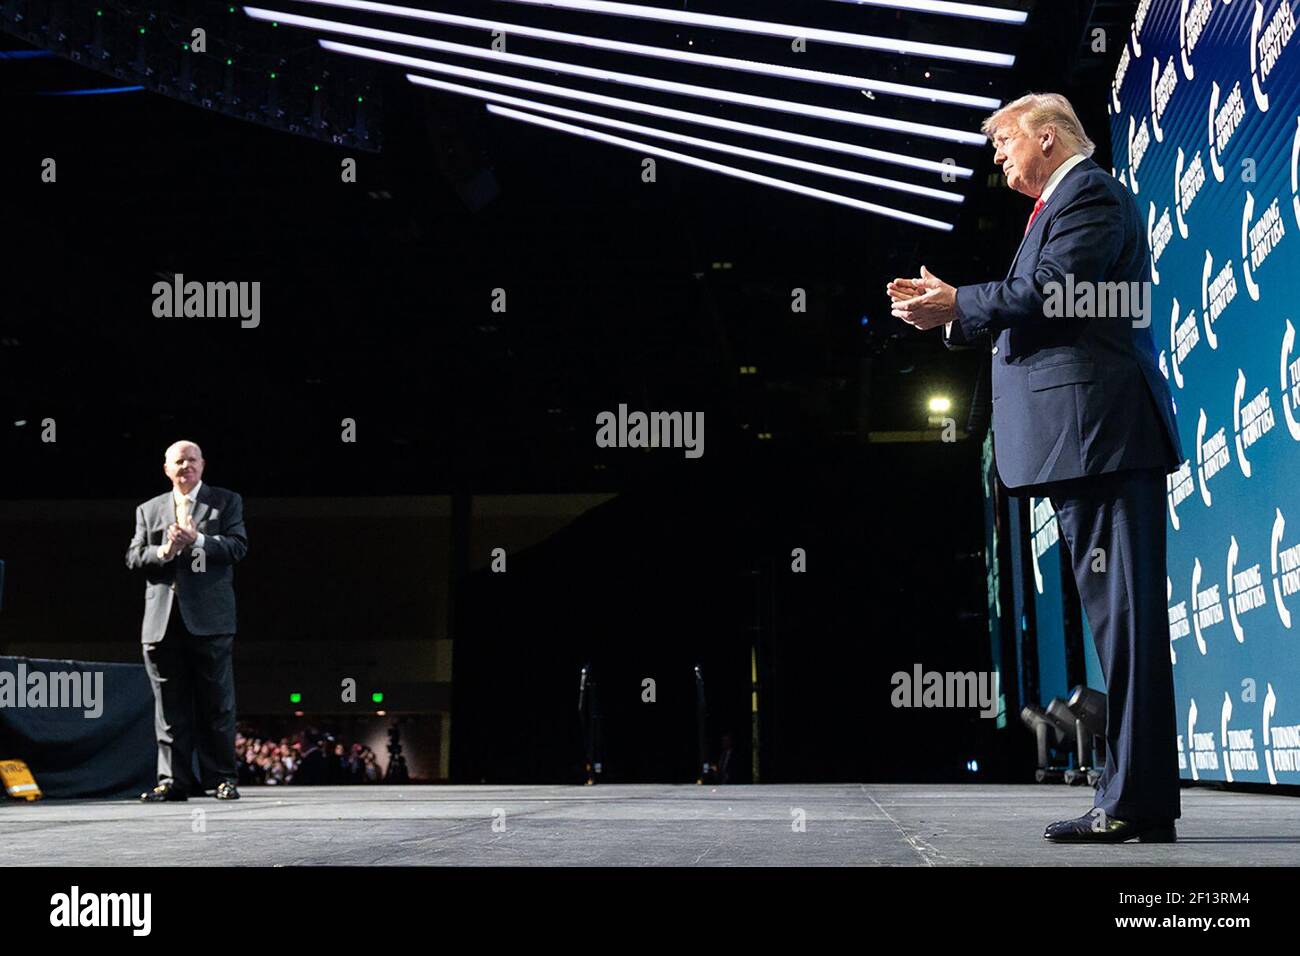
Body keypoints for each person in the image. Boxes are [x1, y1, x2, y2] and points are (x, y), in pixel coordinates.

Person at [888, 93, 1183, 844]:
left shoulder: (1089, 193)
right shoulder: (1060, 203)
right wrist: (950, 313)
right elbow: (1031, 304)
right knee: (1117, 627)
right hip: (1085, 443)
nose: (998, 158)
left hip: (1105, 437)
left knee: (1127, 629)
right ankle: (1131, 800)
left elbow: (1052, 295)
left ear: (1047, 138)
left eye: (1005, 143)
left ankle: (1131, 803)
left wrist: (962, 302)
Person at [126, 440, 249, 802]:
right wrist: (166, 551)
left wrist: (197, 539)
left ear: (203, 465)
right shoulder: (149, 510)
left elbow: (237, 547)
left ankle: (223, 778)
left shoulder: (226, 501)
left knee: (217, 704)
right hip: (162, 622)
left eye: (192, 460)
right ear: (167, 469)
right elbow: (134, 558)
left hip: (211, 620)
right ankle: (173, 781)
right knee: (169, 708)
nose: (186, 466)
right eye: (178, 462)